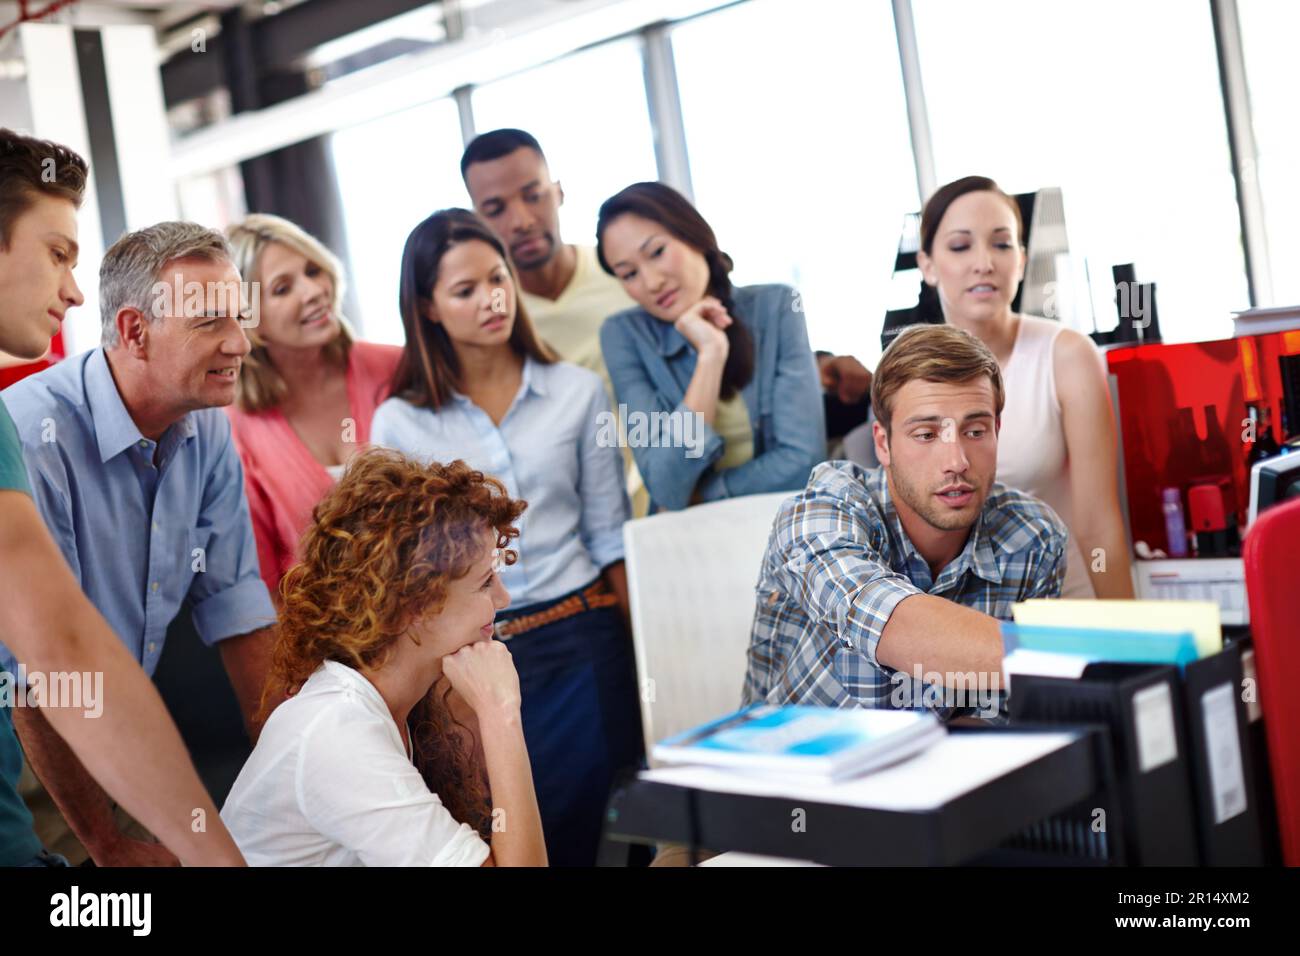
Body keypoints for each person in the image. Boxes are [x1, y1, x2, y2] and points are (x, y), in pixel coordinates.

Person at [0, 127, 243, 866]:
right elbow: (57, 655)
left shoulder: (206, 436)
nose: (74, 292)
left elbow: (237, 606)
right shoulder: (30, 426)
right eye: (57, 254)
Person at [371, 208, 641, 866]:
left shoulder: (577, 392)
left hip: (584, 642)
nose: (491, 299)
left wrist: (648, 658)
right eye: (464, 290)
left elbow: (609, 538)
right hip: (470, 664)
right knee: (514, 841)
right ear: (428, 308)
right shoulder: (400, 423)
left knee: (609, 845)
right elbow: (405, 581)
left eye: (498, 278)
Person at [222, 449, 547, 866]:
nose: (504, 598)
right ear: (413, 607)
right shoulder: (337, 732)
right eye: (485, 583)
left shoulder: (402, 701)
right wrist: (502, 713)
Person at [743, 324, 1067, 719]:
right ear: (883, 443)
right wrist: (1087, 652)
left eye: (976, 431)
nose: (957, 462)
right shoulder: (822, 510)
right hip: (784, 769)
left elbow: (1007, 715)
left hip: (943, 769)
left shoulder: (1034, 537)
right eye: (927, 435)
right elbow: (889, 622)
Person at [460, 129, 873, 438]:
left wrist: (815, 363)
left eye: (533, 195)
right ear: (477, 218)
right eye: (496, 208)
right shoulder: (490, 320)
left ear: (558, 193)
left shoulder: (624, 271)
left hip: (673, 493)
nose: (521, 220)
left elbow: (731, 320)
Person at [915, 175, 1133, 599]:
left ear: (1021, 258)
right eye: (961, 246)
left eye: (1001, 244)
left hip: (1065, 603)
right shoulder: (911, 379)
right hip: (962, 620)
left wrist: (1135, 641)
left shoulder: (1067, 355)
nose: (985, 262)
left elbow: (1098, 523)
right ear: (927, 264)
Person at [596, 181, 826, 511]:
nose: (652, 282)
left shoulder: (777, 306)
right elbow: (666, 485)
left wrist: (705, 495)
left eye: (657, 252)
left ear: (693, 235)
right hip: (690, 545)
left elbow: (803, 460)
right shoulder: (624, 335)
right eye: (629, 274)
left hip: (784, 523)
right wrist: (710, 356)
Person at [224, 213, 401, 598]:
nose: (313, 291)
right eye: (283, 288)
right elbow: (264, 581)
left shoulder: (396, 369)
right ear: (248, 317)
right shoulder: (233, 430)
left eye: (312, 270)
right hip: (331, 646)